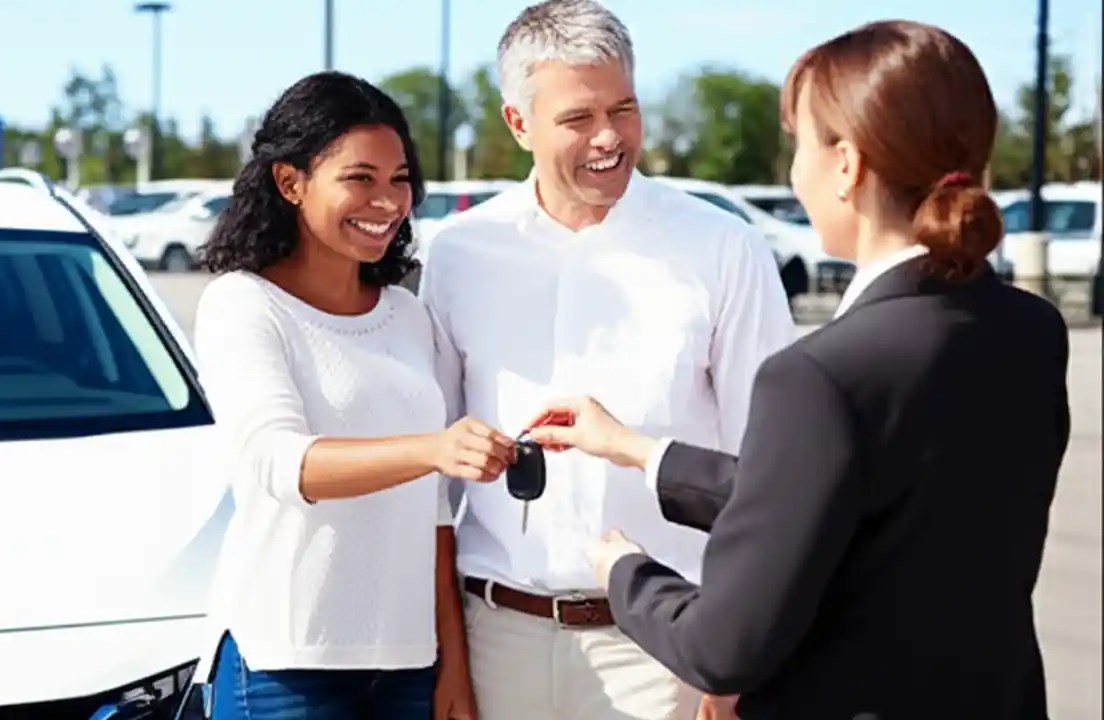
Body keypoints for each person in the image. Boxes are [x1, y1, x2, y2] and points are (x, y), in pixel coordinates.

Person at [525, 20, 1072, 720]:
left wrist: (624, 572)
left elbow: (724, 647)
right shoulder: (1030, 329)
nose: (794, 171)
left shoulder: (819, 375)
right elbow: (861, 502)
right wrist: (641, 451)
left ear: (846, 165)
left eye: (801, 144)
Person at [416, 1, 796, 718]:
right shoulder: (459, 253)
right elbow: (436, 482)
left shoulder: (722, 248)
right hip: (497, 639)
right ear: (517, 123)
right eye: (577, 119)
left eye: (624, 109)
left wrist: (733, 662)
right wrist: (451, 660)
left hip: (668, 647)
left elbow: (768, 471)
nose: (609, 138)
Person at [194, 71, 514, 720]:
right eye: (359, 177)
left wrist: (450, 660)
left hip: (406, 666)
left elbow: (433, 512)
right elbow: (283, 465)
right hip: (282, 665)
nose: (388, 201)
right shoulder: (243, 304)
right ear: (290, 182)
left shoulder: (406, 313)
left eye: (399, 180)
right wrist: (433, 448)